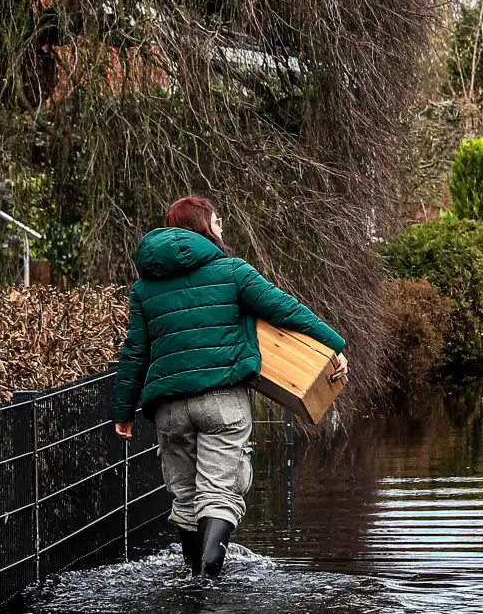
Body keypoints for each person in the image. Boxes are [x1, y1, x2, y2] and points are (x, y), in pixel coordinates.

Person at [109, 196, 347, 578]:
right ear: (204, 228)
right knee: (218, 495)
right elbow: (285, 309)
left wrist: (122, 412)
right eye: (218, 222)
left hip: (169, 409)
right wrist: (336, 344)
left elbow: (135, 352)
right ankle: (208, 581)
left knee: (186, 498)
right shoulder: (232, 271)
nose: (222, 229)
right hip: (222, 401)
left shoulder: (144, 289)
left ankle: (191, 584)